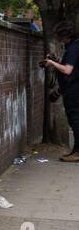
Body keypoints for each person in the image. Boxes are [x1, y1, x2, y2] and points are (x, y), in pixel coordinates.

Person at [43, 22, 79, 162]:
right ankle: (75, 151)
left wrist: (52, 64)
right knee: (75, 121)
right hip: (72, 89)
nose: (58, 39)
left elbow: (67, 70)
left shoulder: (74, 48)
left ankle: (77, 152)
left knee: (76, 121)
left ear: (65, 35)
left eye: (59, 35)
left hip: (74, 92)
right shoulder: (74, 46)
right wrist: (57, 61)